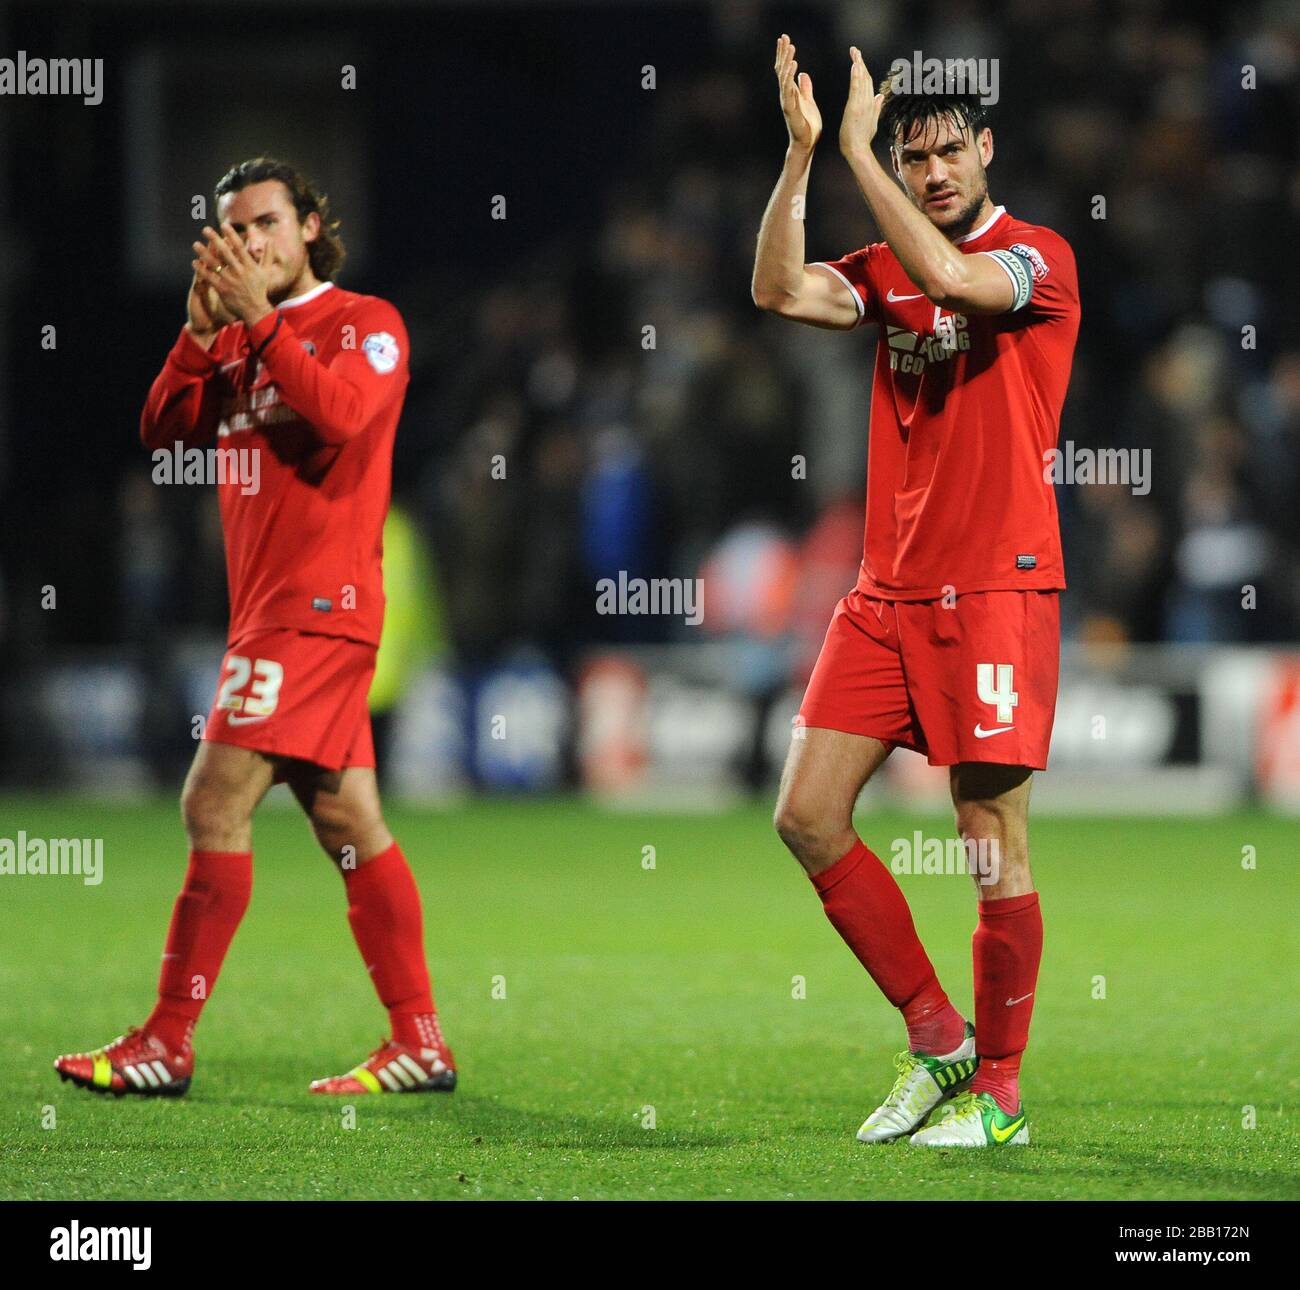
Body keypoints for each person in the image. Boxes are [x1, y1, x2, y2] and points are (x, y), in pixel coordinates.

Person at [55, 158, 456, 1098]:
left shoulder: (369, 325)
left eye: (267, 223)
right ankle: (421, 1040)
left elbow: (341, 414)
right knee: (351, 823)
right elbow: (162, 434)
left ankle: (166, 1039)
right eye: (233, 231)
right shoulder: (237, 344)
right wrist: (199, 338)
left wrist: (261, 324)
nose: (251, 244)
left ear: (312, 227)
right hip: (269, 618)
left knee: (211, 803)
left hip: (313, 616)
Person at [752, 37, 1080, 1146]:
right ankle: (937, 1037)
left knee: (986, 834)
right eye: (914, 155)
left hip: (995, 589)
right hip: (884, 594)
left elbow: (950, 280)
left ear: (987, 151)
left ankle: (1000, 1095)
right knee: (804, 814)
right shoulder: (884, 262)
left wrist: (858, 153)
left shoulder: (1036, 259)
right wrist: (803, 157)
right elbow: (776, 287)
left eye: (948, 152)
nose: (933, 172)